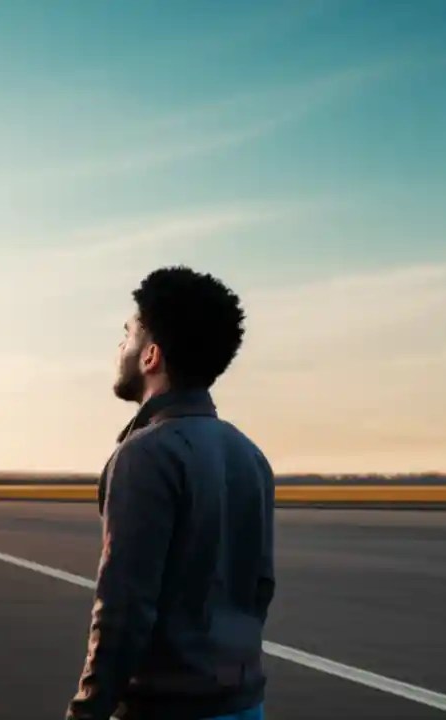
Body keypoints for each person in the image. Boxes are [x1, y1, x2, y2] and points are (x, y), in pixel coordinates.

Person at [65, 266, 275, 720]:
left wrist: (87, 711)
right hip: (243, 702)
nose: (120, 348)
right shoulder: (250, 455)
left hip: (167, 707)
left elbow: (125, 607)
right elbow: (260, 587)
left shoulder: (145, 455)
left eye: (128, 335)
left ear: (150, 356)